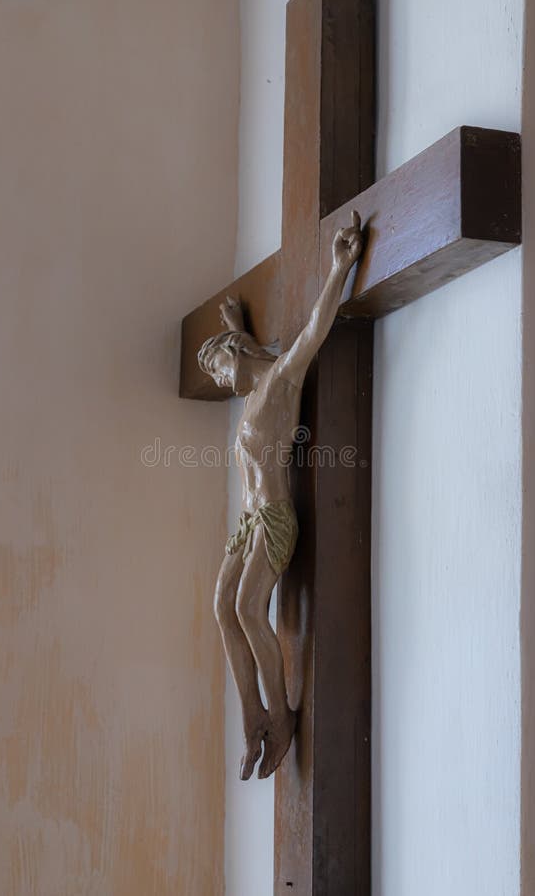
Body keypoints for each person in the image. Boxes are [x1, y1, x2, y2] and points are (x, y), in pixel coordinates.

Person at [198, 213, 364, 779]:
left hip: (272, 519)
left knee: (248, 607)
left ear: (241, 353)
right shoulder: (248, 395)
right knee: (221, 606)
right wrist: (237, 321)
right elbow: (241, 349)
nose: (221, 379)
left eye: (221, 366)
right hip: (246, 525)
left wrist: (339, 266)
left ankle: (281, 713)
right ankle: (252, 716)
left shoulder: (281, 381)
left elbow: (316, 327)